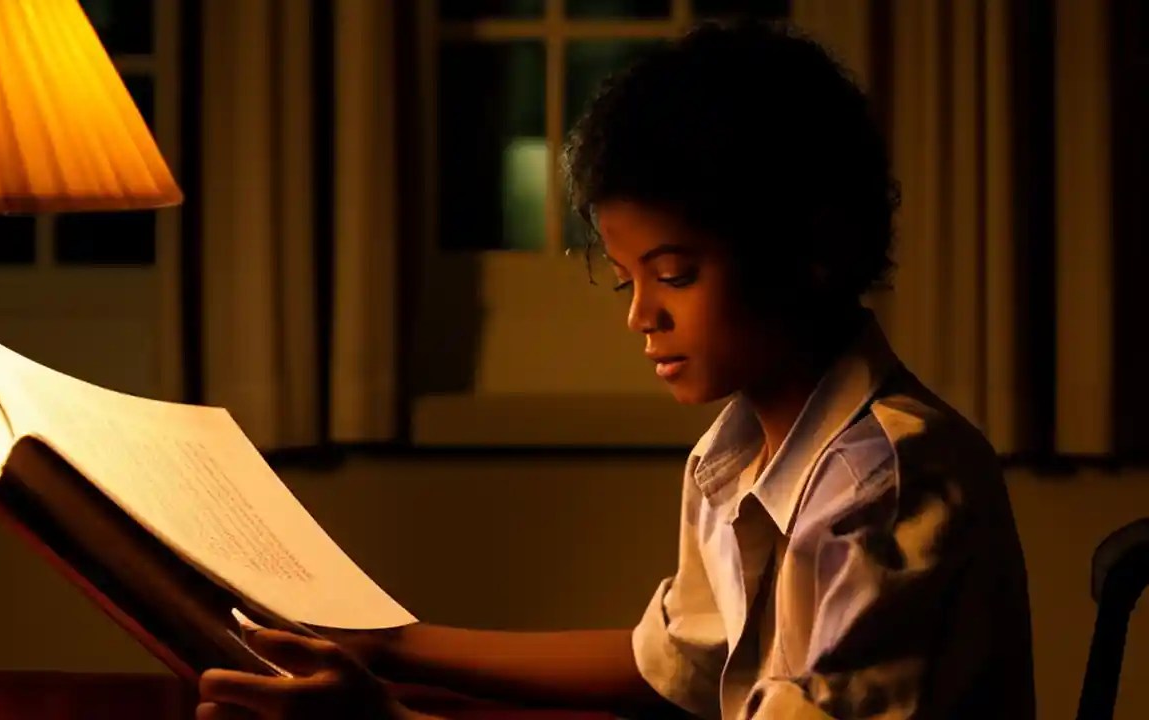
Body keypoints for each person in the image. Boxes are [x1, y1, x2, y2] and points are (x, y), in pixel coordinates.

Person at [196, 19, 1035, 720]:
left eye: (674, 275)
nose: (641, 315)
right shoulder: (735, 454)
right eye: (627, 278)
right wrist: (390, 644)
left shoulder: (885, 479)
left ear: (812, 249)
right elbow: (670, 662)